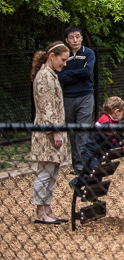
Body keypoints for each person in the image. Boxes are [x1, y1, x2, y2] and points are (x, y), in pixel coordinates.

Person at [30, 41, 71, 225]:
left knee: (52, 172)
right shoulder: (44, 76)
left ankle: (47, 208)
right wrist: (54, 132)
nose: (65, 63)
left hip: (55, 132)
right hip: (47, 134)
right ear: (52, 56)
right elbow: (46, 108)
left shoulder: (51, 75)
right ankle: (40, 212)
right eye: (63, 60)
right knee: (45, 172)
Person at [58, 26, 96, 174]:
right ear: (66, 40)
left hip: (85, 95)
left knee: (83, 130)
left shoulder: (88, 53)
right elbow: (61, 76)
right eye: (72, 37)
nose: (75, 40)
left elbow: (87, 72)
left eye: (78, 36)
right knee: (73, 131)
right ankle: (77, 165)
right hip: (68, 97)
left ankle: (85, 164)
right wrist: (76, 74)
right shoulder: (64, 56)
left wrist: (69, 74)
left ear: (81, 38)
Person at [69, 97, 124, 192]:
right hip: (89, 152)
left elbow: (118, 134)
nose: (122, 115)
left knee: (98, 173)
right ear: (116, 111)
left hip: (96, 153)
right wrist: (117, 145)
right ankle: (75, 182)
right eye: (122, 113)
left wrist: (123, 142)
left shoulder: (113, 121)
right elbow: (107, 138)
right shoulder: (105, 121)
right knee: (96, 172)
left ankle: (92, 193)